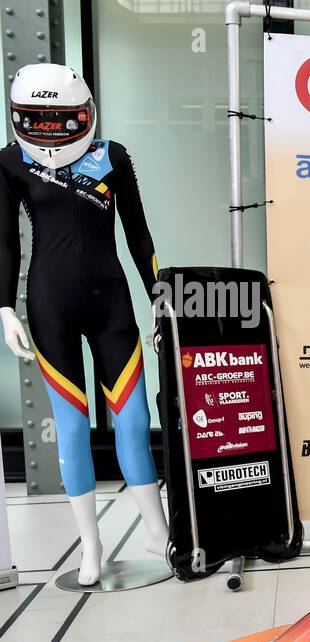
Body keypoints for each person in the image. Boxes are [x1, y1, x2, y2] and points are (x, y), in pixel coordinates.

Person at [0, 63, 169, 587]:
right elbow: (4, 242)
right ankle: (90, 548)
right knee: (72, 430)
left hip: (112, 303)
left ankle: (156, 530)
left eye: (62, 118)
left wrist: (161, 297)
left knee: (134, 422)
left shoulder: (112, 155)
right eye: (40, 119)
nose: (52, 128)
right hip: (50, 306)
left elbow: (139, 233)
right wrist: (3, 308)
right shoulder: (9, 162)